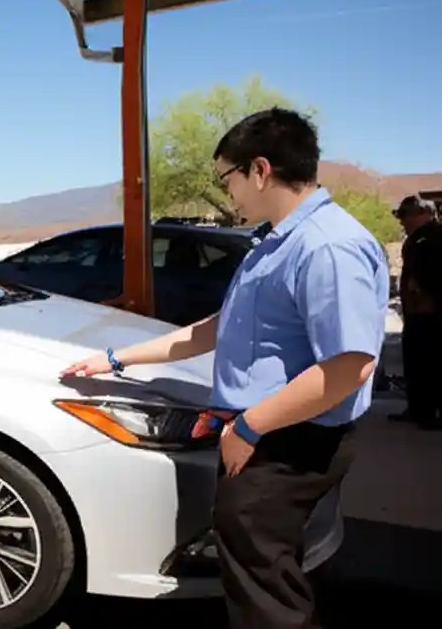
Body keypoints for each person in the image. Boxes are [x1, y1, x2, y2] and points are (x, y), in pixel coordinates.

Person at [61, 107, 388, 629]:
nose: (229, 192)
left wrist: (251, 425)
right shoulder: (276, 241)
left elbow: (349, 367)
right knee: (264, 574)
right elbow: (216, 329)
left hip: (286, 441)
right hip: (271, 435)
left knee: (265, 595)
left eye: (227, 178)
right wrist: (115, 358)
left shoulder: (327, 246)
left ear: (259, 170)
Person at [390, 194, 442, 429]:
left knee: (431, 363)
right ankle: (419, 408)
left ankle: (430, 413)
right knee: (416, 361)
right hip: (417, 312)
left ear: (422, 214)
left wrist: (426, 294)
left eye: (406, 216)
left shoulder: (434, 237)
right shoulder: (417, 239)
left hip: (431, 312)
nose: (402, 222)